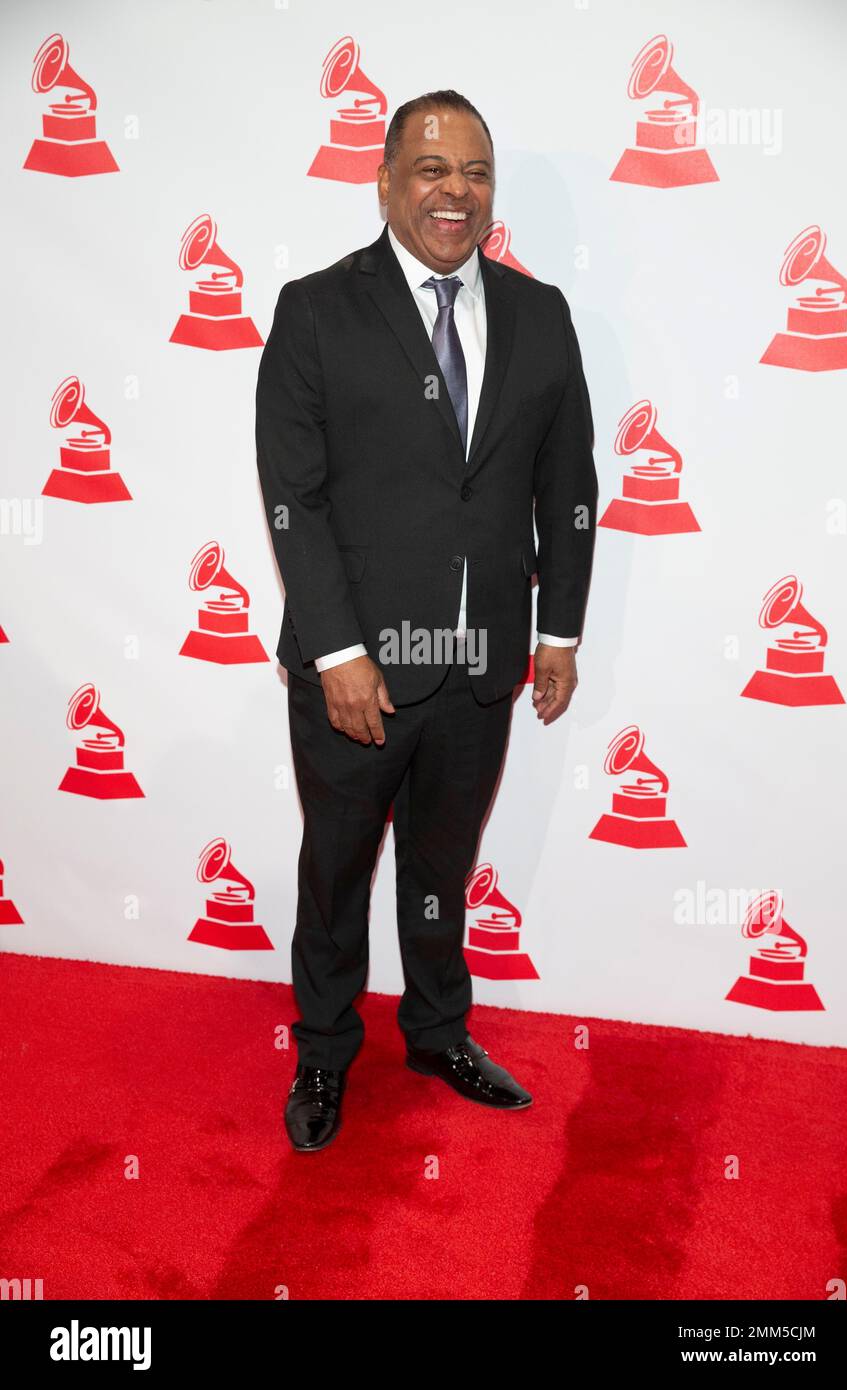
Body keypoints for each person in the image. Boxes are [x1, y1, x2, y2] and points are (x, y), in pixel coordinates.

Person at [255, 89, 598, 1152]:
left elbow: (567, 483)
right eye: (432, 168)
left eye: (476, 172)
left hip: (480, 661)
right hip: (357, 669)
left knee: (442, 867)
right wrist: (339, 651)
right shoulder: (316, 309)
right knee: (337, 868)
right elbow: (294, 496)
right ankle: (322, 1050)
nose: (457, 191)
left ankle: (438, 1032)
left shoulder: (540, 314)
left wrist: (557, 630)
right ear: (386, 183)